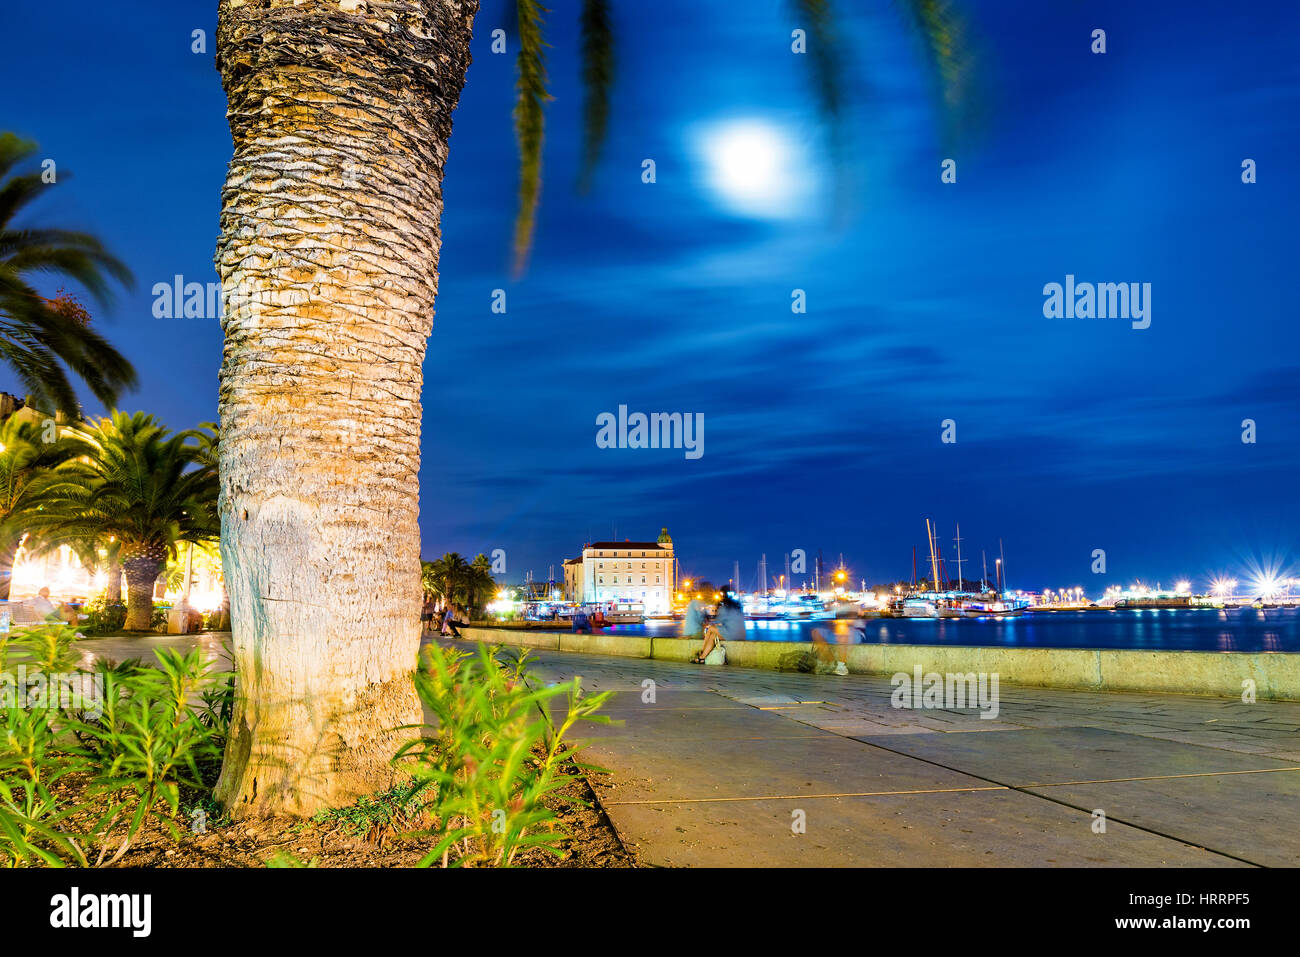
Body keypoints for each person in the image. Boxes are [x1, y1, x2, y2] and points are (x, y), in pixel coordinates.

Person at [692, 588, 743, 664]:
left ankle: (702, 651)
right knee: (713, 636)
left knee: (711, 629)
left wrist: (714, 624)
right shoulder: (735, 606)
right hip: (738, 633)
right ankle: (702, 658)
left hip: (732, 633)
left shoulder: (725, 608)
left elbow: (720, 622)